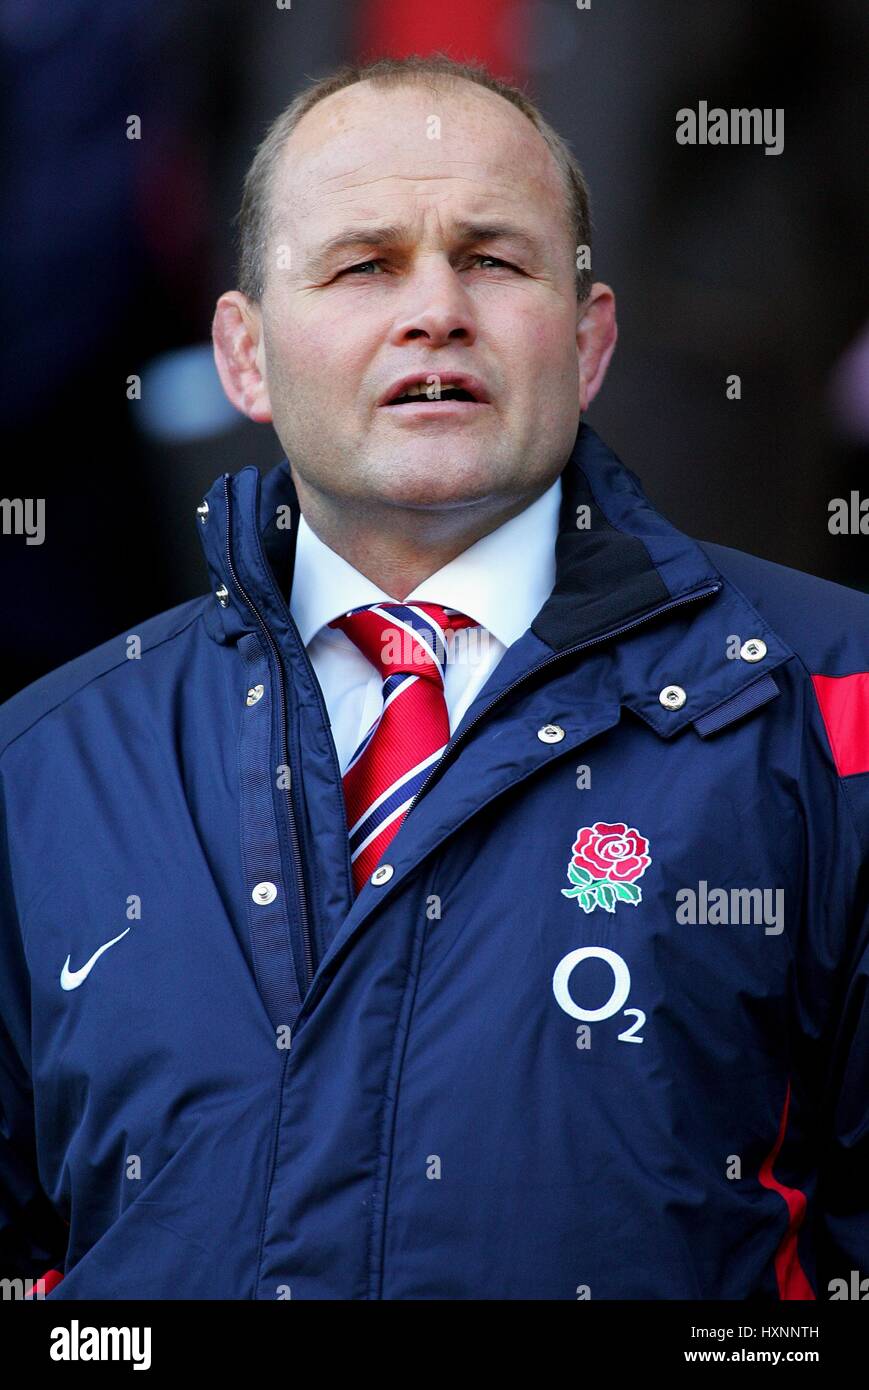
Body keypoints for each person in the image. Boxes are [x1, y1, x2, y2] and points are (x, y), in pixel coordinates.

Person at [1, 54, 867, 1302]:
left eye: (494, 260)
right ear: (241, 354)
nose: (435, 312)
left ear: (589, 339)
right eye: (362, 264)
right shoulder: (43, 769)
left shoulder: (836, 712)